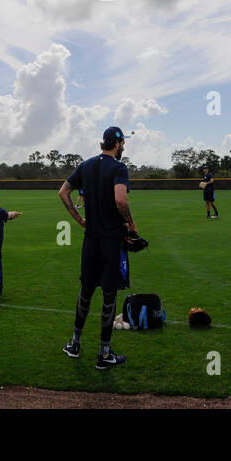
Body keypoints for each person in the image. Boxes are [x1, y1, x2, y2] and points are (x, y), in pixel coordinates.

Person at [58, 126, 137, 370]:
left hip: (90, 240)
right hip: (111, 241)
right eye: (123, 143)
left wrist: (79, 220)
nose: (123, 147)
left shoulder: (86, 165)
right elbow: (121, 199)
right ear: (118, 142)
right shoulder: (119, 168)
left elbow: (63, 192)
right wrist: (132, 225)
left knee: (86, 291)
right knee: (109, 296)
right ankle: (103, 354)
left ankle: (75, 343)